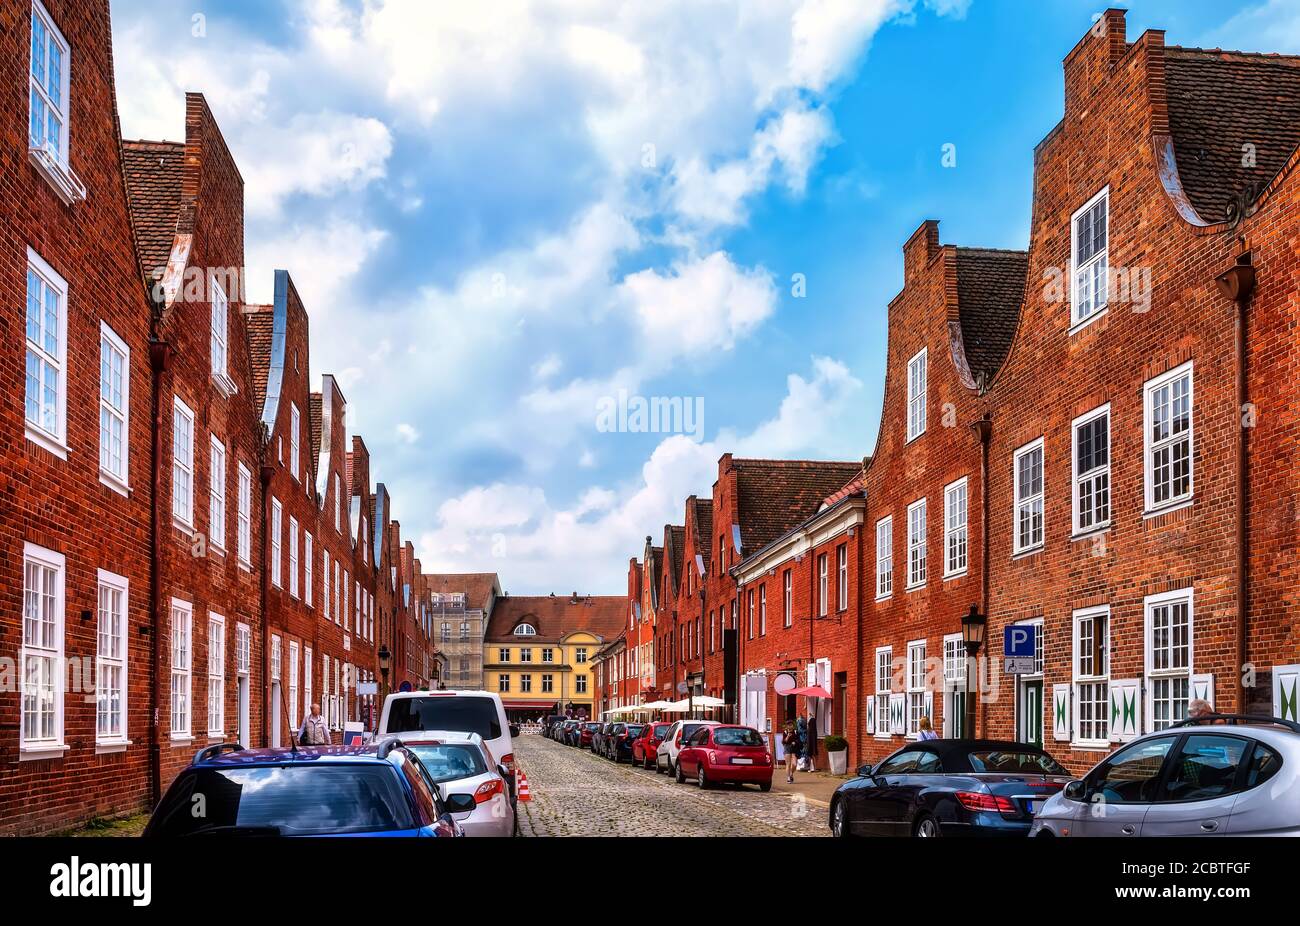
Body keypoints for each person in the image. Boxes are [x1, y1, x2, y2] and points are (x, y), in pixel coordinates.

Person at [804, 703, 819, 773]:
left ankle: (813, 767)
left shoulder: (812, 721)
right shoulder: (812, 722)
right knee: (811, 754)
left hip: (811, 739)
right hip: (810, 739)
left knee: (811, 754)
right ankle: (812, 767)